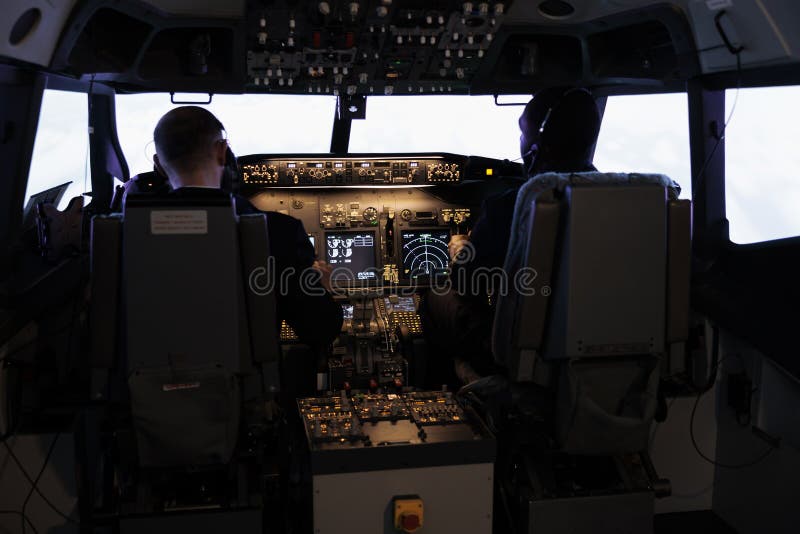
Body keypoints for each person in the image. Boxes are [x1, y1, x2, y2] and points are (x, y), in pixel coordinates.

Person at [422, 87, 601, 386]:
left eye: (524, 133)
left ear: (538, 145)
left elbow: (466, 284)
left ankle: (465, 387)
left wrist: (461, 251)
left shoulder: (513, 206)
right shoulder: (620, 201)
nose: (521, 141)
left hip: (521, 350)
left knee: (436, 297)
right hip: (594, 337)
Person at [151, 105, 343, 350]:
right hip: (246, 386)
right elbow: (320, 330)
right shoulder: (278, 231)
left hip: (143, 385)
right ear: (222, 152)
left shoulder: (123, 232)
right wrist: (324, 288)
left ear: (158, 164)